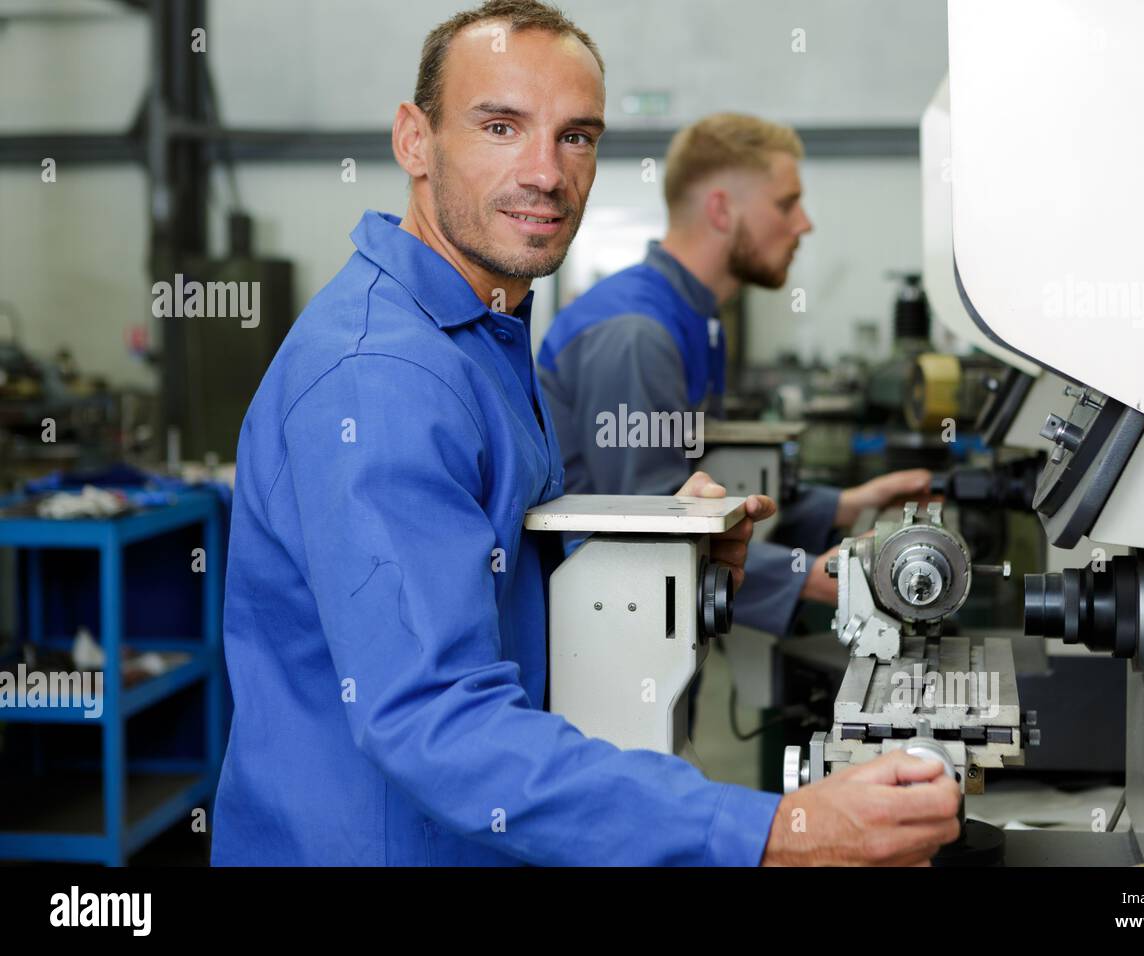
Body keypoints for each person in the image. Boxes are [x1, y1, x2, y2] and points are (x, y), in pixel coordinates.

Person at [213, 0, 959, 867]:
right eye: (501, 126)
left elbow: (487, 563)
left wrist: (655, 544)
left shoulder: (479, 332)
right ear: (413, 140)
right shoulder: (383, 375)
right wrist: (772, 832)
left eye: (577, 136)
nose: (546, 172)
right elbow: (437, 722)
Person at [539, 113, 931, 634]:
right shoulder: (636, 334)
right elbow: (646, 532)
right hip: (599, 639)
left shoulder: (696, 319)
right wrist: (807, 578)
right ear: (722, 209)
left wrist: (848, 504)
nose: (804, 224)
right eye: (786, 204)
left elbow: (702, 481)